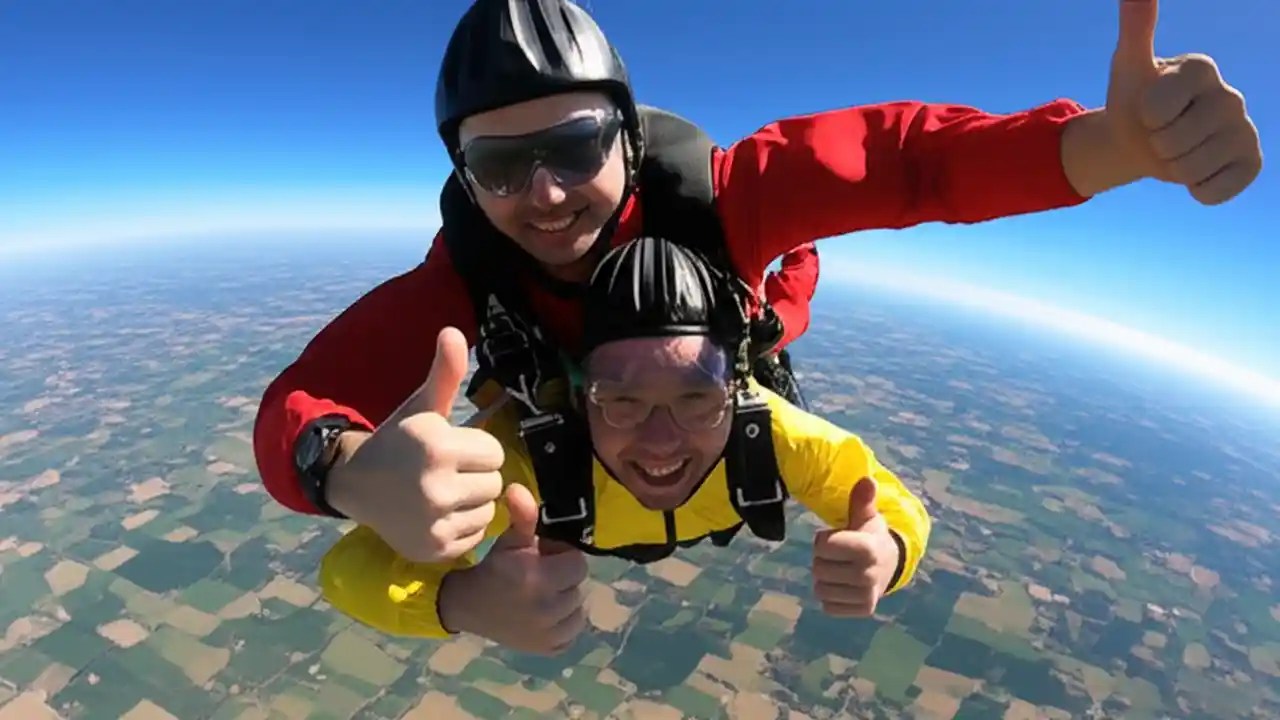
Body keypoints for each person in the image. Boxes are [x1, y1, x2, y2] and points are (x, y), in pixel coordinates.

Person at [255, 0, 1262, 567]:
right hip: (577, 432)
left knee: (771, 325)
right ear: (464, 179)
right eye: (499, 166)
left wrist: (1108, 148)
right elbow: (299, 401)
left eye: (575, 144)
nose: (547, 193)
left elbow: (907, 163)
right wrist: (344, 469)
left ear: (630, 139)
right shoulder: (464, 276)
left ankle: (770, 300)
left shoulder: (722, 201)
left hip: (711, 363)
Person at [318, 235, 930, 655]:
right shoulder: (529, 458)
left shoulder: (770, 432)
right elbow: (348, 568)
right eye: (623, 399)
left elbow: (891, 506)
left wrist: (890, 551)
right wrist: (462, 601)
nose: (661, 440)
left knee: (783, 313)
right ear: (579, 396)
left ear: (735, 391)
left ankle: (799, 252)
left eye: (696, 398)